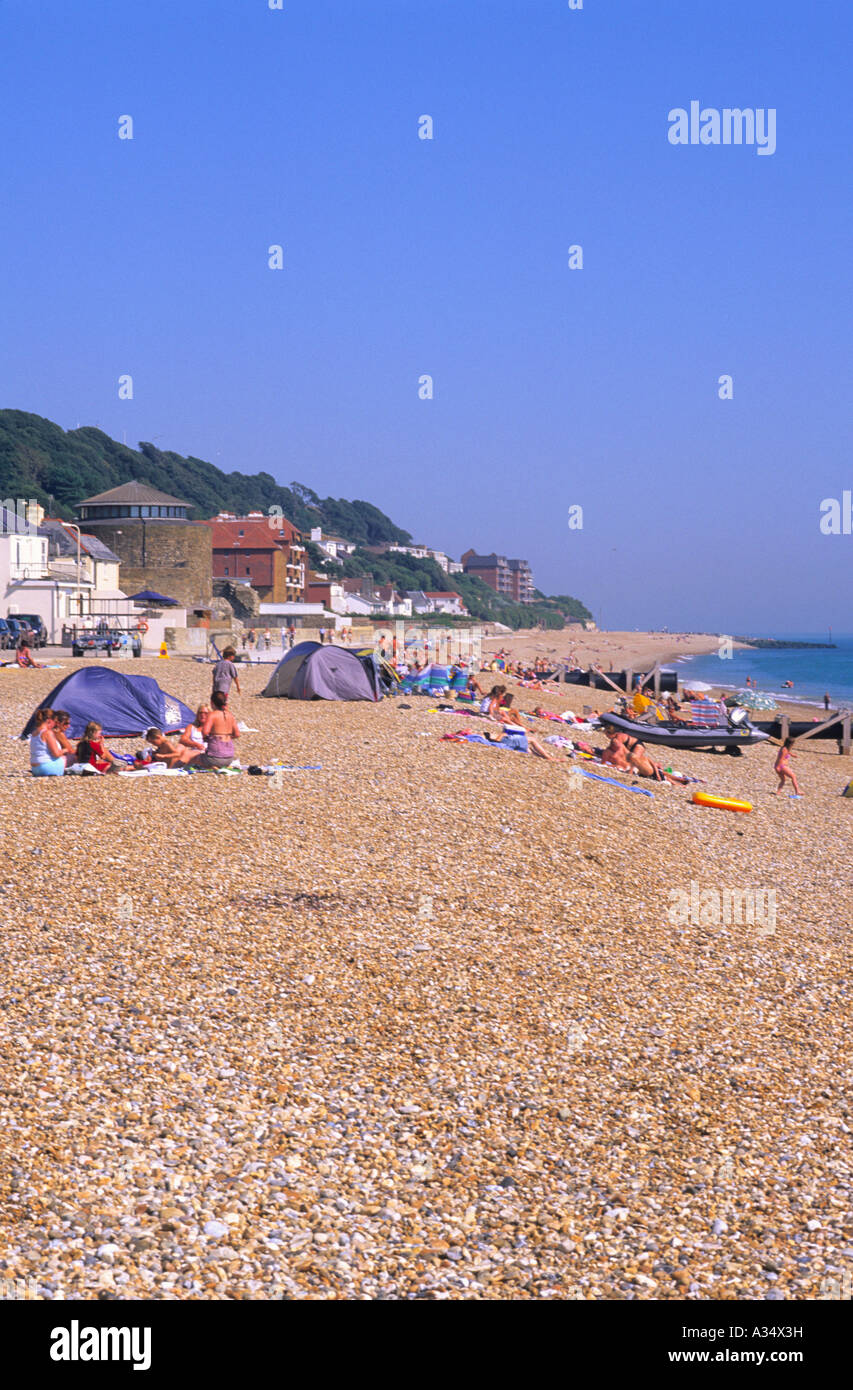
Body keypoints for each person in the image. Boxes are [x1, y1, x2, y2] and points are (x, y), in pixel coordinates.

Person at [197, 691, 240, 768]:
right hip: (229, 758)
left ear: (211, 702)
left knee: (194, 758)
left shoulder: (212, 715)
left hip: (214, 757)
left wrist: (207, 738)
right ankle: (220, 766)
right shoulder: (230, 715)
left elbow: (205, 732)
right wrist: (227, 737)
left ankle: (211, 766)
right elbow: (237, 734)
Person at [29, 709, 66, 776]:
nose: (55, 724)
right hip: (47, 767)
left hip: (35, 769)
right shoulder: (47, 733)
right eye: (54, 722)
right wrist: (65, 750)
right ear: (49, 721)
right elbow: (56, 754)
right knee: (66, 758)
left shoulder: (34, 733)